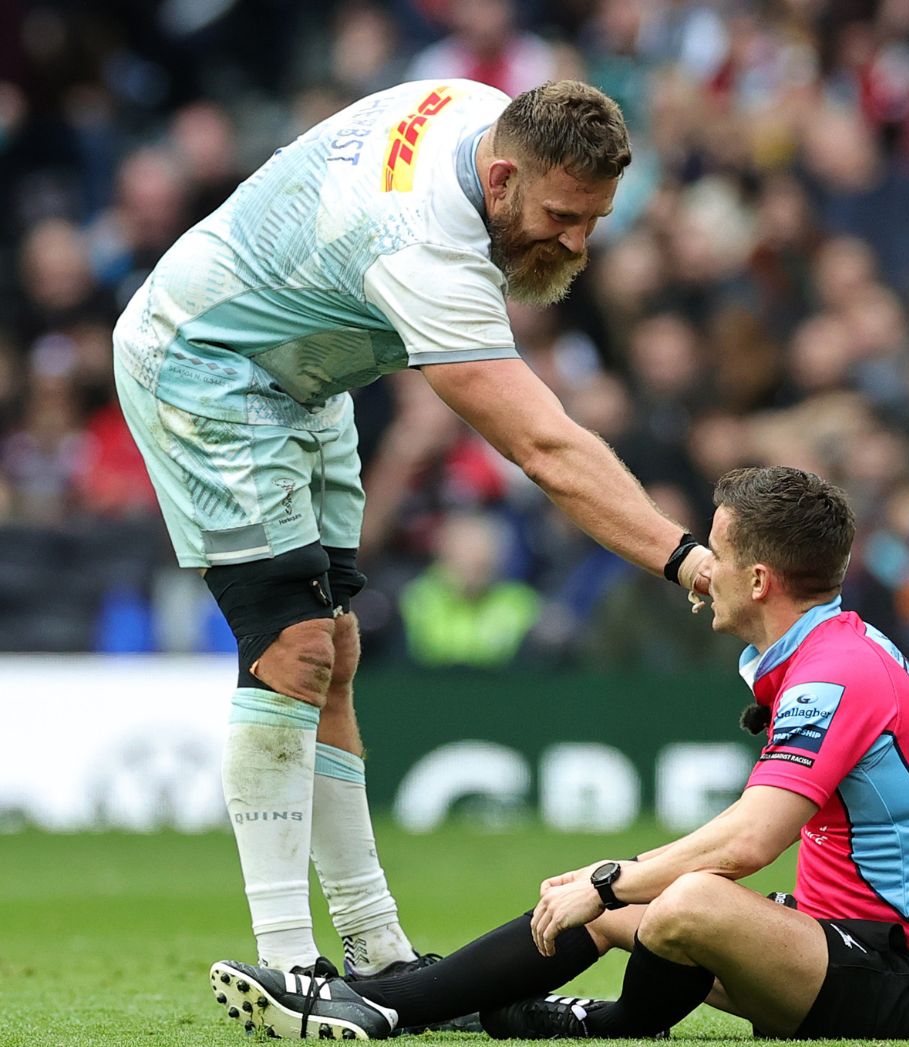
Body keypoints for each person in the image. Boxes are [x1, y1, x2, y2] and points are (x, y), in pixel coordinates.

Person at [112, 80, 716, 989]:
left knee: (336, 653)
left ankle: (374, 947)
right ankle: (286, 960)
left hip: (303, 375)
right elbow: (546, 448)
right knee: (293, 648)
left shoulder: (483, 109)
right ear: (503, 176)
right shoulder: (424, 246)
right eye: (561, 215)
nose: (578, 242)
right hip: (205, 365)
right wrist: (686, 556)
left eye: (595, 220)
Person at [208, 466, 909, 1041]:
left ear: (758, 577)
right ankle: (400, 1003)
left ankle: (598, 1026)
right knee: (619, 896)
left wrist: (612, 883)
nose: (703, 571)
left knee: (685, 900)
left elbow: (750, 841)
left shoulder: (834, 675)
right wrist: (609, 889)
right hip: (842, 945)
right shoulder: (833, 651)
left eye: (714, 551)